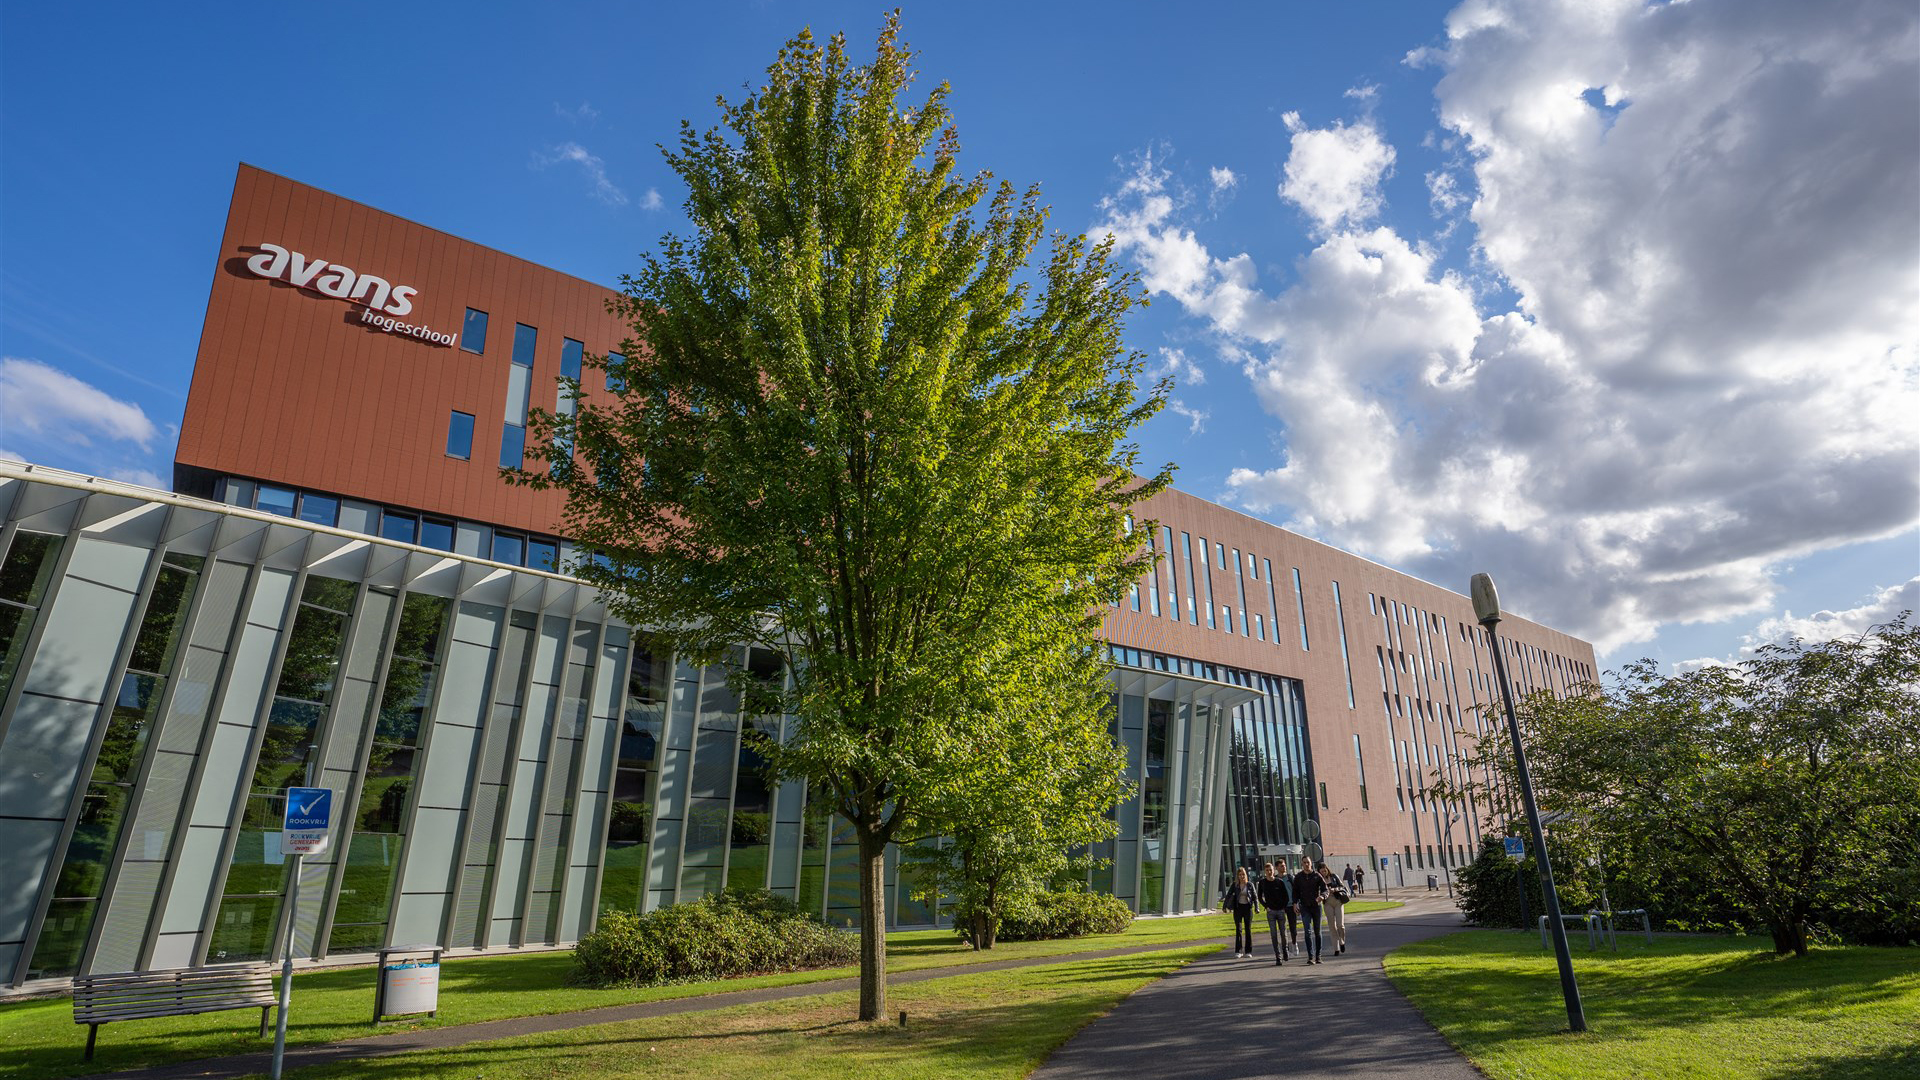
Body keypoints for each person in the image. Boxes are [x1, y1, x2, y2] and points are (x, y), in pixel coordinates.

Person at [1292, 856, 1327, 963]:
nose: (1306, 864)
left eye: (1308, 862)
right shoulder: (1298, 877)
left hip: (1316, 907)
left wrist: (1322, 896)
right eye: (1304, 863)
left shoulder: (1317, 876)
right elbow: (1295, 892)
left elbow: (1325, 890)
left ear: (1311, 863)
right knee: (1307, 931)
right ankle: (1310, 956)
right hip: (1305, 907)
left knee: (1317, 931)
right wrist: (1294, 904)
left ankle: (1318, 956)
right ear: (1301, 864)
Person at [1257, 862, 1294, 965]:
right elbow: (1259, 896)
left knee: (1283, 933)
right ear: (1265, 872)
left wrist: (1283, 907)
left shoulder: (1279, 882)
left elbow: (1286, 897)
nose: (1269, 872)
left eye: (1271, 870)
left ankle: (1285, 950)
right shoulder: (1262, 883)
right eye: (1267, 870)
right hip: (1270, 911)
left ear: (1274, 870)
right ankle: (1278, 956)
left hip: (1280, 910)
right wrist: (1266, 906)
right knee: (1273, 934)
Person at [1223, 866, 1259, 958]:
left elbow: (1255, 897)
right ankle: (1238, 951)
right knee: (1238, 929)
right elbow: (1228, 895)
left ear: (1245, 875)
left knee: (1248, 929)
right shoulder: (1235, 885)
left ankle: (1248, 951)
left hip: (1248, 908)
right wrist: (1224, 906)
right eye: (1240, 875)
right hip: (1238, 908)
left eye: (1243, 874)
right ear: (1237, 876)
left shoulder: (1250, 885)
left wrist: (1256, 908)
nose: (1242, 876)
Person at [1321, 862, 1350, 956]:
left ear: (1327, 869)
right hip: (1327, 903)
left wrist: (1335, 889)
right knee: (1332, 926)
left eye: (1324, 869)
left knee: (1340, 925)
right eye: (1321, 870)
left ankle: (1342, 941)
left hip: (1338, 901)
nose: (1323, 871)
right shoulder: (1319, 880)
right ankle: (1336, 948)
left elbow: (1343, 887)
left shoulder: (1334, 876)